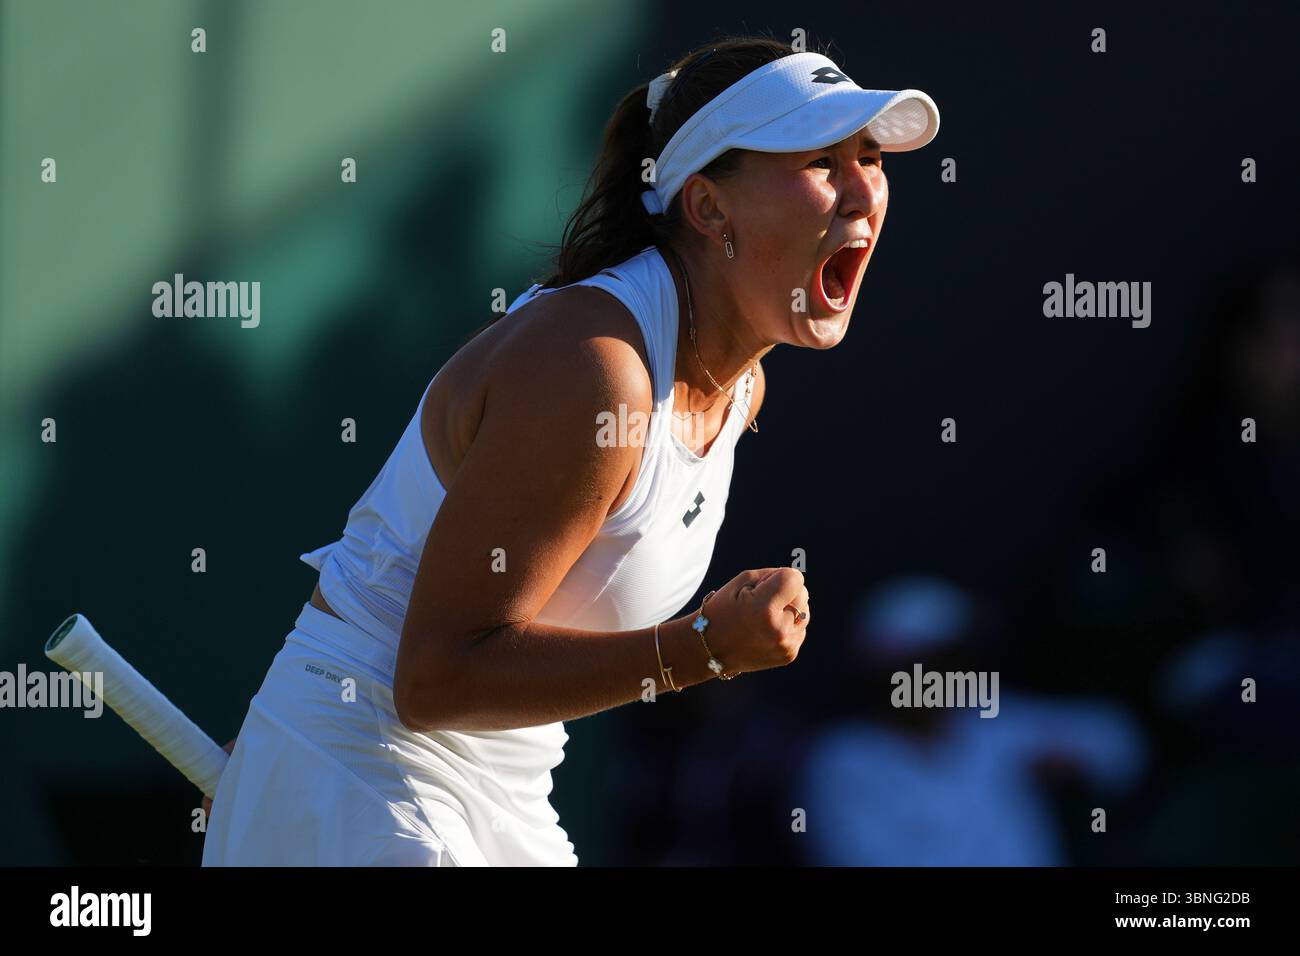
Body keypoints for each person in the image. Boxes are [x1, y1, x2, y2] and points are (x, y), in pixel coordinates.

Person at [200, 35, 941, 866]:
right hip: (364, 776)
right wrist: (703, 647)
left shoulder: (739, 389)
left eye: (871, 159)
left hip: (496, 789)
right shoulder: (595, 372)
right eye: (821, 162)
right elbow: (435, 678)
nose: (860, 195)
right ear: (707, 207)